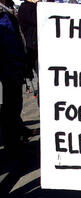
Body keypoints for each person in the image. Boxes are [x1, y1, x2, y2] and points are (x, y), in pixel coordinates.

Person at [0, 0, 26, 154]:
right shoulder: (3, 14)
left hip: (13, 65)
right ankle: (13, 144)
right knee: (10, 106)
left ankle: (16, 139)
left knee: (14, 104)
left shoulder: (6, 11)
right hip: (8, 67)